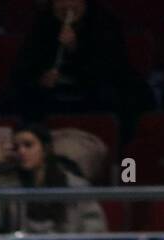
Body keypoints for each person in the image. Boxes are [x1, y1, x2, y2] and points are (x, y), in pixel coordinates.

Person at [10, 0, 152, 143]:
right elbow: (24, 69)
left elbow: (112, 67)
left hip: (94, 89)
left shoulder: (103, 21)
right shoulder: (41, 23)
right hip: (51, 94)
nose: (67, 5)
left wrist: (75, 48)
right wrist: (41, 78)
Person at [0, 122, 107, 234]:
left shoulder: (74, 186)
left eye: (28, 145)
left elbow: (95, 228)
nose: (22, 151)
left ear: (46, 149)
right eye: (17, 147)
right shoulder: (8, 186)